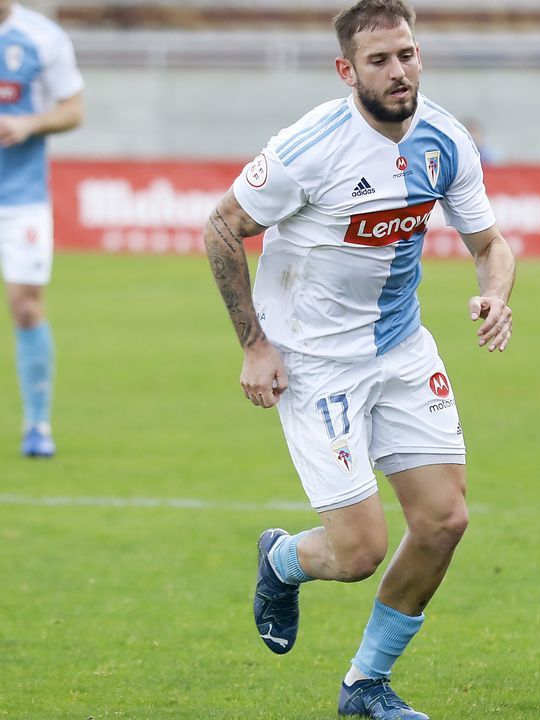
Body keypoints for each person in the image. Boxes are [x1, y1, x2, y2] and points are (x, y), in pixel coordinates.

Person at [201, 2, 515, 717]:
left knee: (444, 521)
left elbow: (490, 243)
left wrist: (495, 294)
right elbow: (220, 226)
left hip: (401, 346)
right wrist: (254, 344)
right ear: (347, 71)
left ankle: (365, 684)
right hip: (316, 362)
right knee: (358, 552)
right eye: (379, 60)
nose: (399, 71)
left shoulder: (446, 138)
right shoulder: (310, 147)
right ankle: (282, 559)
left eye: (407, 54)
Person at [0, 0, 84, 458]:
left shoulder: (42, 38)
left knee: (26, 305)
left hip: (21, 197)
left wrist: (28, 123)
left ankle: (37, 424)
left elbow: (73, 109)